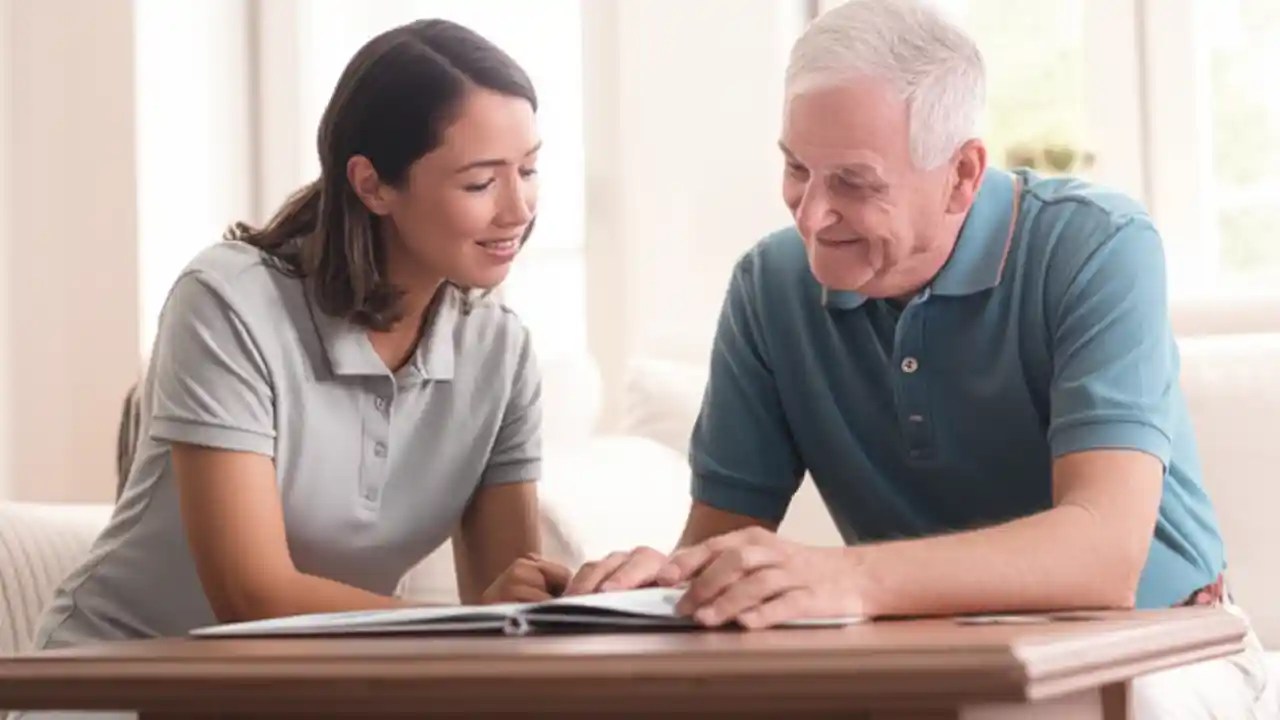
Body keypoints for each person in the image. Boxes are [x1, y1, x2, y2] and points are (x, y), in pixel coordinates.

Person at [565, 1, 1274, 716]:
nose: (810, 215)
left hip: (1163, 648)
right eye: (795, 168)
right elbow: (718, 547)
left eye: (855, 182)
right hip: (927, 661)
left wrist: (852, 579)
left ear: (962, 174)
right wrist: (657, 584)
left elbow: (1103, 556)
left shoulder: (1098, 246)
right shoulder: (769, 286)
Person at [30, 18, 572, 660]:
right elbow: (249, 595)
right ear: (372, 184)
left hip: (321, 691)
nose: (519, 209)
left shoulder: (500, 352)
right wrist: (471, 622)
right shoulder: (230, 301)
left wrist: (571, 600)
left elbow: (504, 616)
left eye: (530, 170)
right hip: (116, 683)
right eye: (481, 182)